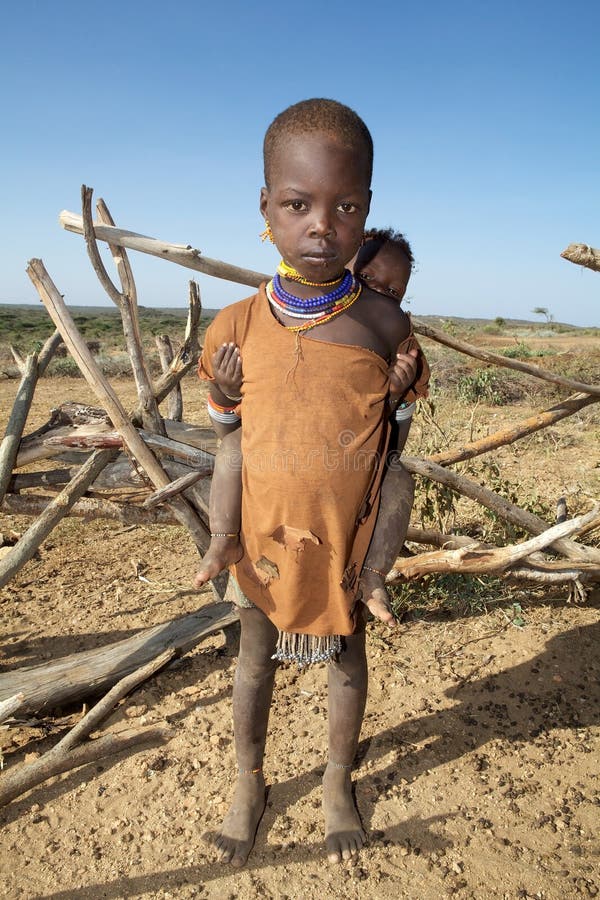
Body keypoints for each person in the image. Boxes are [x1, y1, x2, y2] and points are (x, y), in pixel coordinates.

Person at [196, 98, 428, 867]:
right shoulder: (235, 324)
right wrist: (225, 398)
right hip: (264, 538)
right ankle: (250, 781)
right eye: (299, 204)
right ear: (266, 208)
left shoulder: (385, 327)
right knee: (254, 660)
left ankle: (335, 782)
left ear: (365, 210)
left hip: (343, 542)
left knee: (346, 662)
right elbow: (222, 423)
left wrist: (395, 398)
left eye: (346, 206)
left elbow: (393, 444)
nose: (323, 225)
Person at [195, 227, 430, 594]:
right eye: (366, 278)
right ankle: (224, 540)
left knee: (398, 476)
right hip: (268, 494)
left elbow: (391, 448)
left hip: (344, 500)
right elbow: (227, 434)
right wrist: (227, 390)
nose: (377, 294)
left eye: (392, 291)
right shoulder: (259, 324)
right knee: (256, 635)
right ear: (340, 264)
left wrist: (394, 395)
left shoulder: (394, 344)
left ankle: (371, 576)